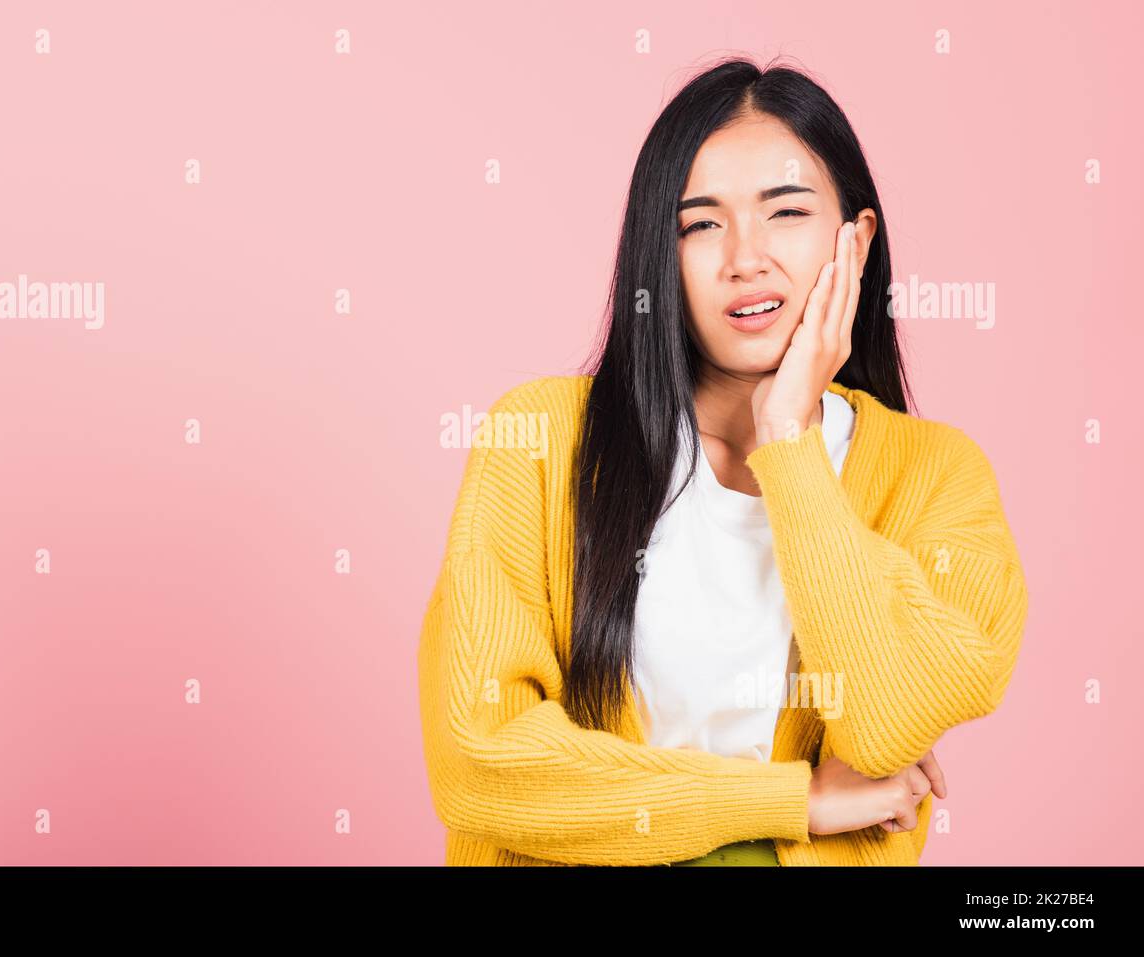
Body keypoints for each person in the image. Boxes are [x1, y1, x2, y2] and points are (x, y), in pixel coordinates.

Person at [417, 56, 1028, 867]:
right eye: (700, 223)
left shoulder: (936, 474)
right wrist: (790, 800)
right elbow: (479, 763)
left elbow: (886, 718)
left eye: (786, 212)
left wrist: (789, 440)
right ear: (655, 255)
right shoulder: (537, 438)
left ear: (858, 237)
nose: (745, 258)